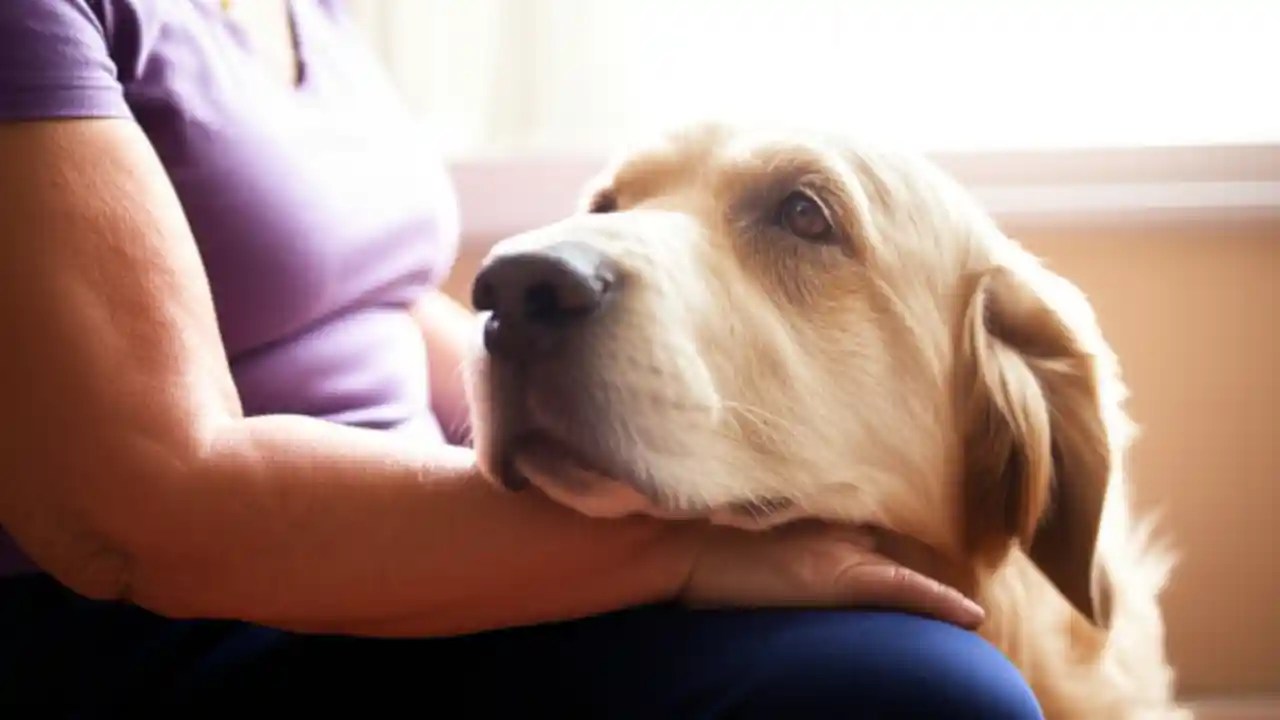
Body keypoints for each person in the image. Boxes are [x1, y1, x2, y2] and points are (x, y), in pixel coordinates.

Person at [0, 1, 1044, 717]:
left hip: (400, 551)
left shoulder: (307, 11)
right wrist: (680, 553)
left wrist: (564, 384)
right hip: (173, 623)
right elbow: (131, 512)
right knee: (927, 694)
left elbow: (363, 304)